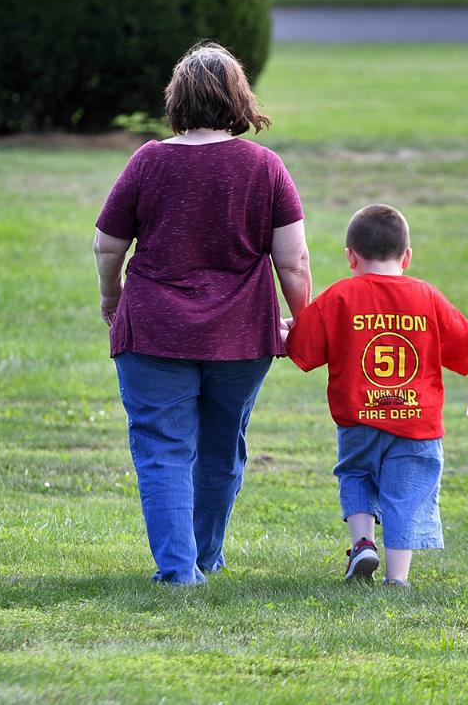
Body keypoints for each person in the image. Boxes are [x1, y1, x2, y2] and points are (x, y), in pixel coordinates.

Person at [93, 43, 312, 585]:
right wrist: (302, 318)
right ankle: (204, 556)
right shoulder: (265, 166)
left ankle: (178, 569)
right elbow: (295, 259)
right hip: (241, 336)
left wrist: (110, 297)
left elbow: (107, 244)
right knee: (221, 447)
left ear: (178, 98)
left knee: (163, 449)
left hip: (153, 329)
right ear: (239, 97)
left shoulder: (149, 160)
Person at [285, 204, 468, 587]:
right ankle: (397, 578)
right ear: (408, 256)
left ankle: (363, 543)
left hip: (358, 420)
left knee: (356, 474)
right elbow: (466, 347)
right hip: (416, 425)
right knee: (406, 496)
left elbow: (302, 347)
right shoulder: (427, 297)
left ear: (351, 256)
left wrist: (287, 329)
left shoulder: (340, 297)